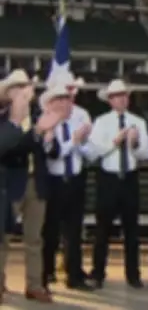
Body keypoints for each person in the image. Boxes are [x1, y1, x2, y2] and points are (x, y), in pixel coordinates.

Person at [0, 71, 61, 304]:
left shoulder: (39, 116)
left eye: (25, 88)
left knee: (34, 239)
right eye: (18, 88)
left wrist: (48, 139)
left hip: (38, 184)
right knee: (2, 238)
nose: (23, 93)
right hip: (11, 184)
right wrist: (37, 133)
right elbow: (9, 150)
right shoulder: (4, 119)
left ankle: (35, 285)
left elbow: (54, 152)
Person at [88, 79, 148, 289]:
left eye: (125, 95)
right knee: (102, 229)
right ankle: (98, 273)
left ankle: (133, 275)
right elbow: (96, 151)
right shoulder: (101, 122)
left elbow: (144, 153)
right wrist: (115, 141)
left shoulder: (138, 122)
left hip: (130, 177)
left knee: (132, 230)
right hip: (109, 178)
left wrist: (134, 143)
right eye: (118, 96)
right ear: (111, 100)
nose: (122, 99)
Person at [41, 73, 93, 292]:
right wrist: (74, 140)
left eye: (67, 98)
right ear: (51, 103)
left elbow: (89, 151)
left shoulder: (80, 118)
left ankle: (74, 276)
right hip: (54, 182)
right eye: (60, 99)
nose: (65, 102)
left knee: (73, 231)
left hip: (75, 180)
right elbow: (54, 153)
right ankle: (45, 274)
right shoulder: (45, 122)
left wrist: (80, 143)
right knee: (50, 231)